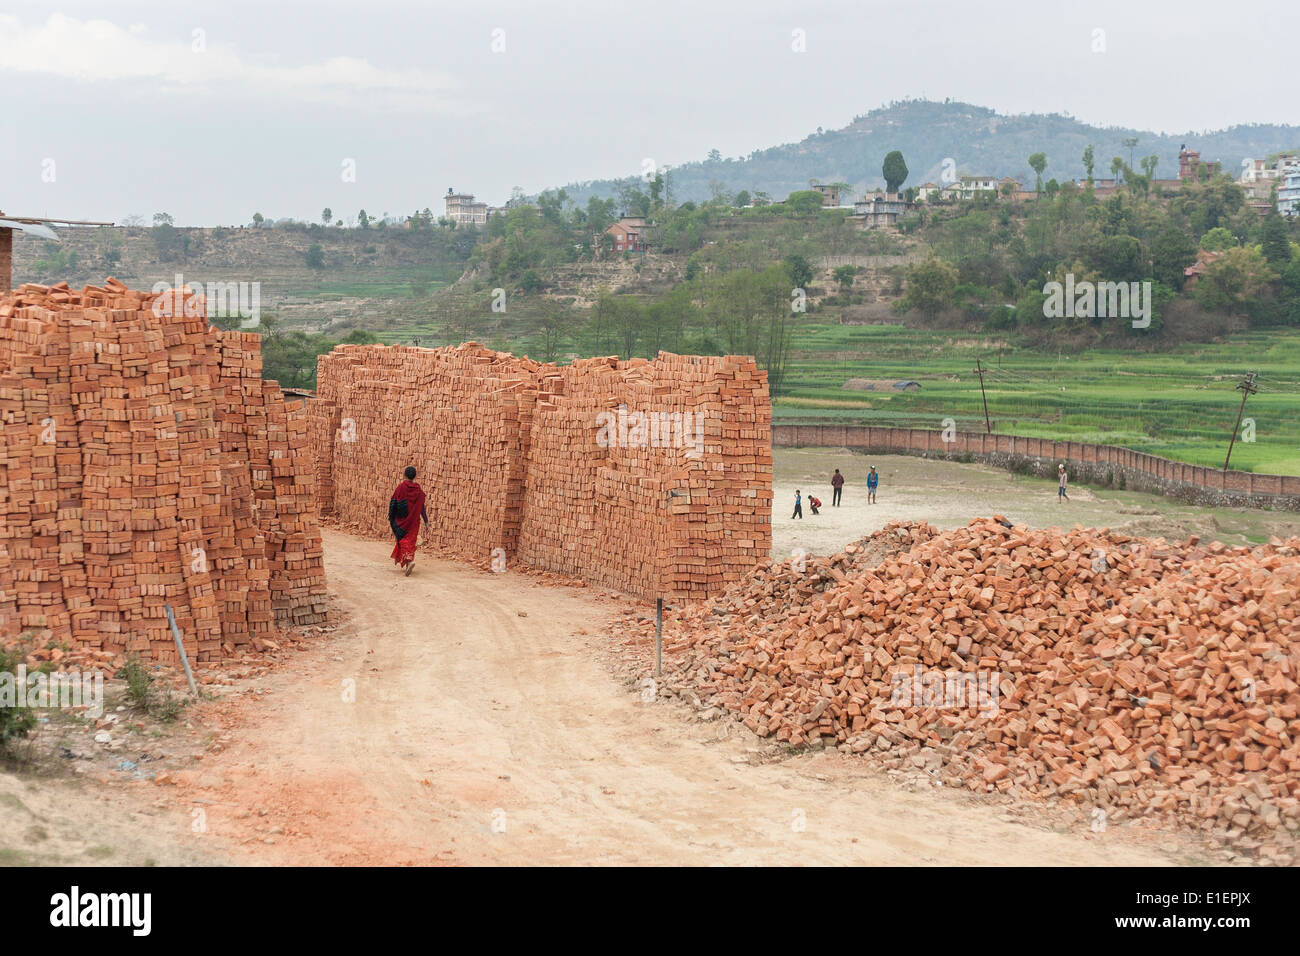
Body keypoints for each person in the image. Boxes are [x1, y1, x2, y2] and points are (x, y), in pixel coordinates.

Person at [390, 466, 429, 575]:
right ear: (415, 476)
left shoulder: (401, 487)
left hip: (402, 521)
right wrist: (426, 521)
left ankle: (409, 560)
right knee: (411, 541)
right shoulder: (418, 489)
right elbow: (421, 507)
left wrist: (393, 516)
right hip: (414, 522)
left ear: (404, 475)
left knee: (403, 540)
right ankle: (408, 563)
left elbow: (394, 502)